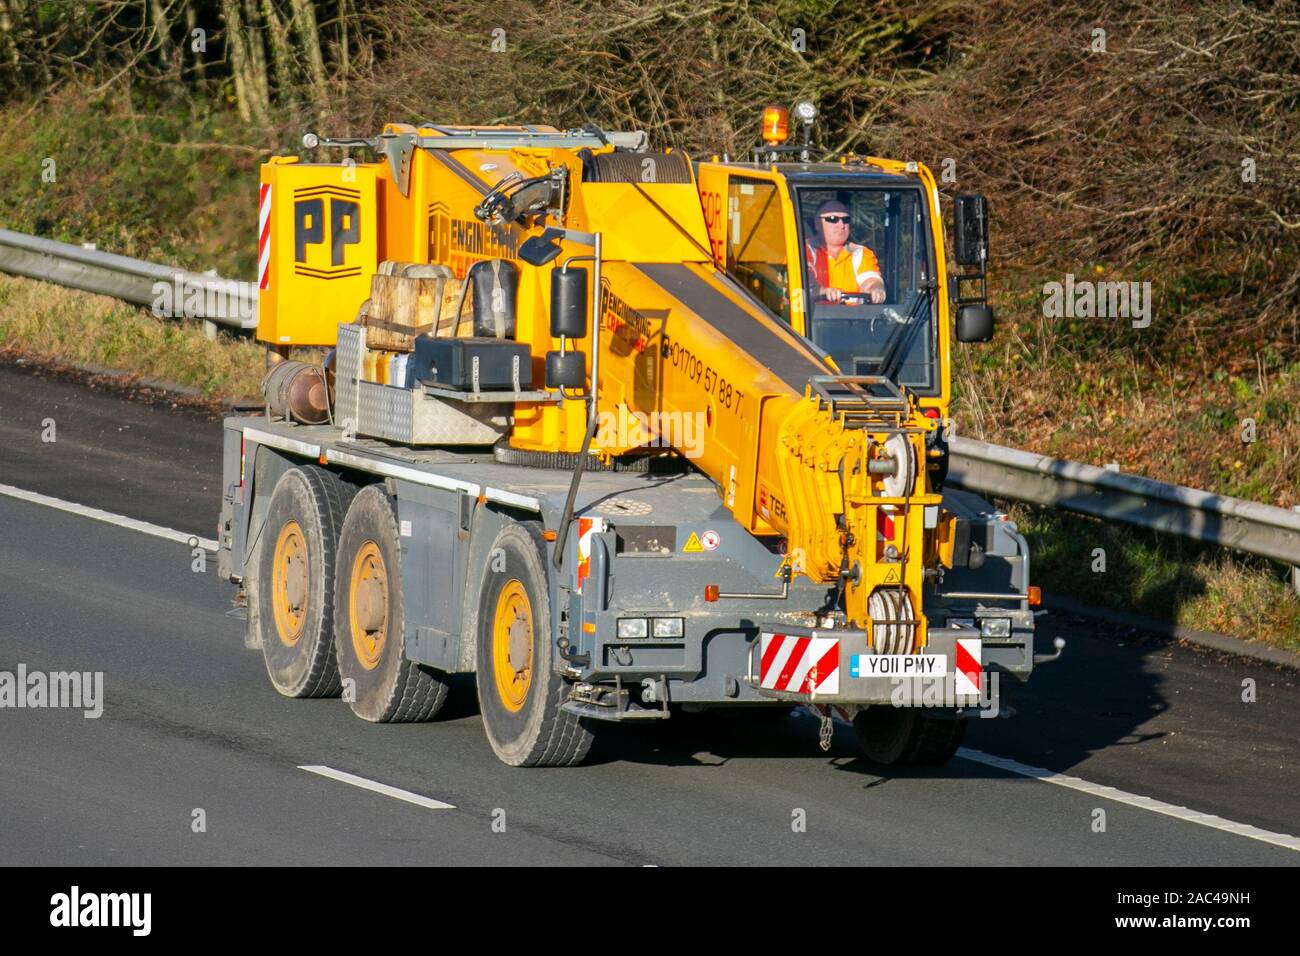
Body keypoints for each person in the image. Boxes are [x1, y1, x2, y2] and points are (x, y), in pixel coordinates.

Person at [805, 200, 886, 304]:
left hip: (853, 318)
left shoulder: (860, 253)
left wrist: (875, 289)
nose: (841, 225)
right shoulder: (803, 250)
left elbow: (870, 280)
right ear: (817, 224)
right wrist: (823, 291)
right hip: (811, 318)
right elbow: (806, 281)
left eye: (846, 219)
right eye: (833, 219)